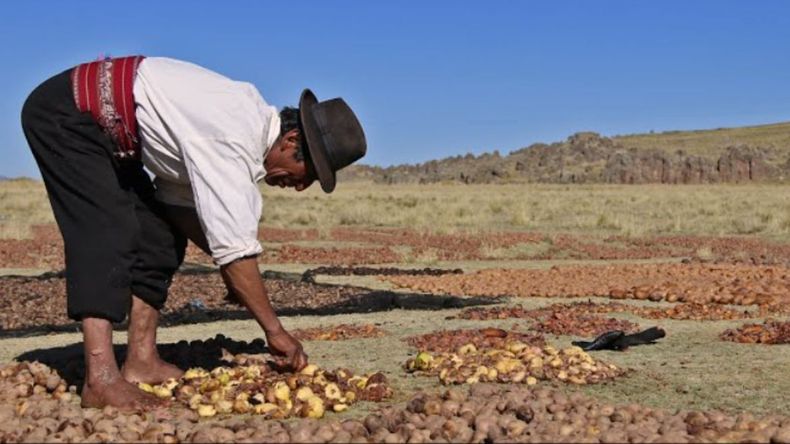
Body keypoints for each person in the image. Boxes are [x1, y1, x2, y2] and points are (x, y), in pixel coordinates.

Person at [20, 55, 366, 409]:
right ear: (291, 141)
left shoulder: (236, 131)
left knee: (160, 236)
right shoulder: (233, 136)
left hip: (113, 138)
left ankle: (141, 361)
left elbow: (179, 210)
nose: (301, 186)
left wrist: (233, 274)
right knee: (109, 232)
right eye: (307, 173)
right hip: (67, 113)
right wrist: (274, 331)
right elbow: (235, 251)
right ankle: (101, 380)